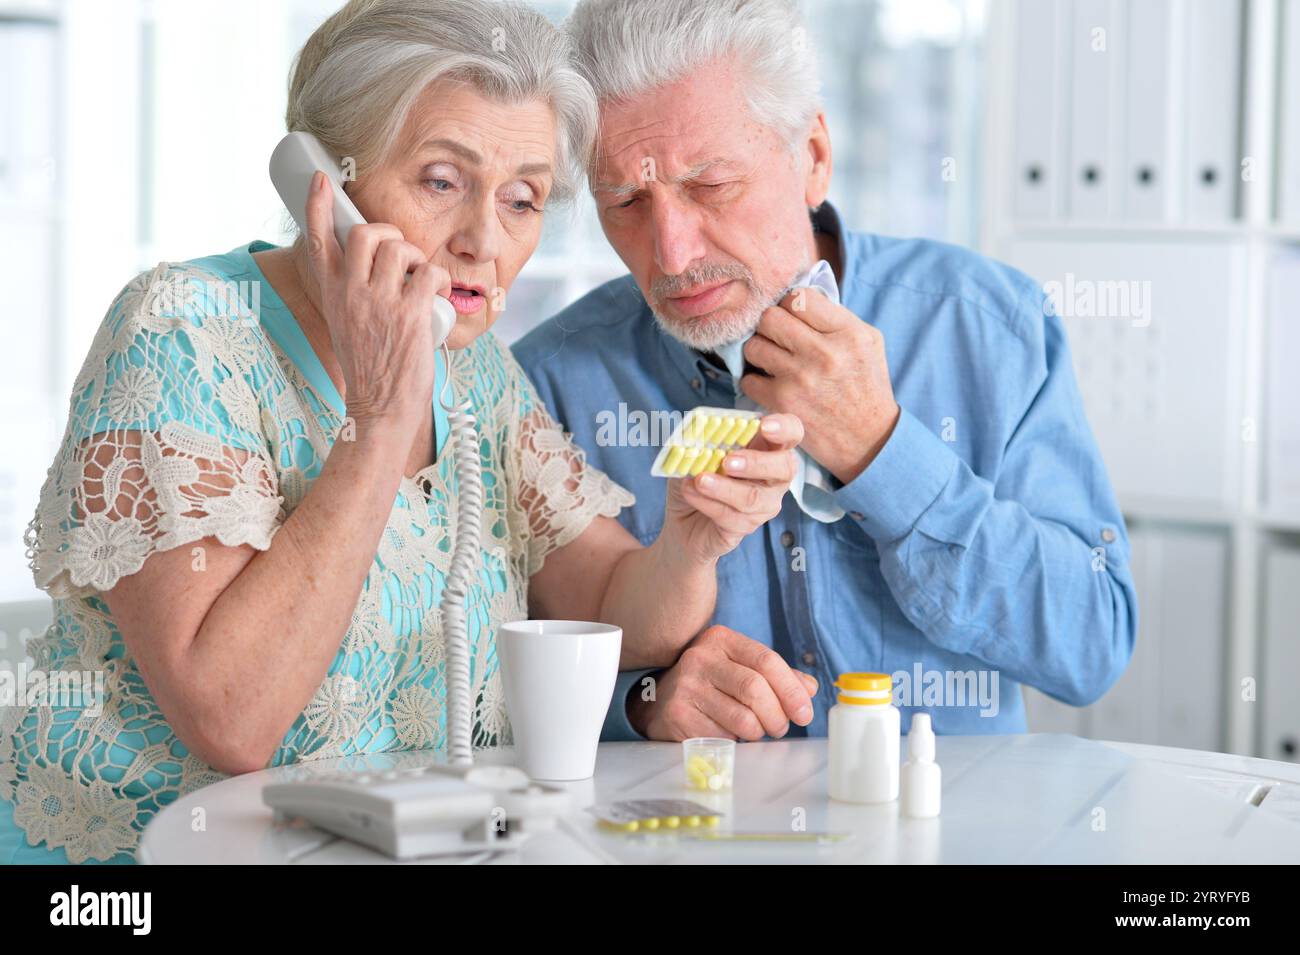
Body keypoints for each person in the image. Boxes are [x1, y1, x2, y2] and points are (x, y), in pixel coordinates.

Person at [0, 0, 801, 864]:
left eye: (524, 199)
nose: (484, 241)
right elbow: (232, 719)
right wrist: (382, 418)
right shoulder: (180, 333)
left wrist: (689, 542)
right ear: (322, 183)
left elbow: (609, 604)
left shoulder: (479, 372)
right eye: (441, 181)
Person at [513, 0, 1138, 742]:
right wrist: (639, 705)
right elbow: (491, 698)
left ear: (812, 155)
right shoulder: (546, 383)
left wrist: (884, 449)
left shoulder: (990, 324)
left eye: (711, 186)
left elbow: (1092, 645)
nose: (673, 255)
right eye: (626, 202)